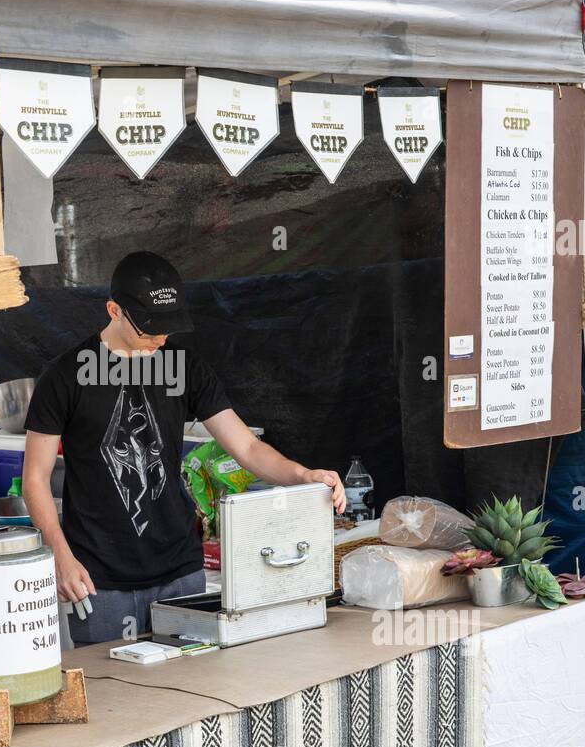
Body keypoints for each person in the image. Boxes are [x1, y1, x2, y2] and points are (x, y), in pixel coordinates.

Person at [22, 251, 346, 645]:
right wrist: (60, 556)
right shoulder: (64, 377)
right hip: (98, 577)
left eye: (168, 328)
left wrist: (304, 475)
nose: (161, 338)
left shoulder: (183, 366)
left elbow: (246, 447)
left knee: (194, 687)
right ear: (114, 310)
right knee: (115, 697)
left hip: (180, 570)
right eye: (150, 328)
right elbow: (35, 478)